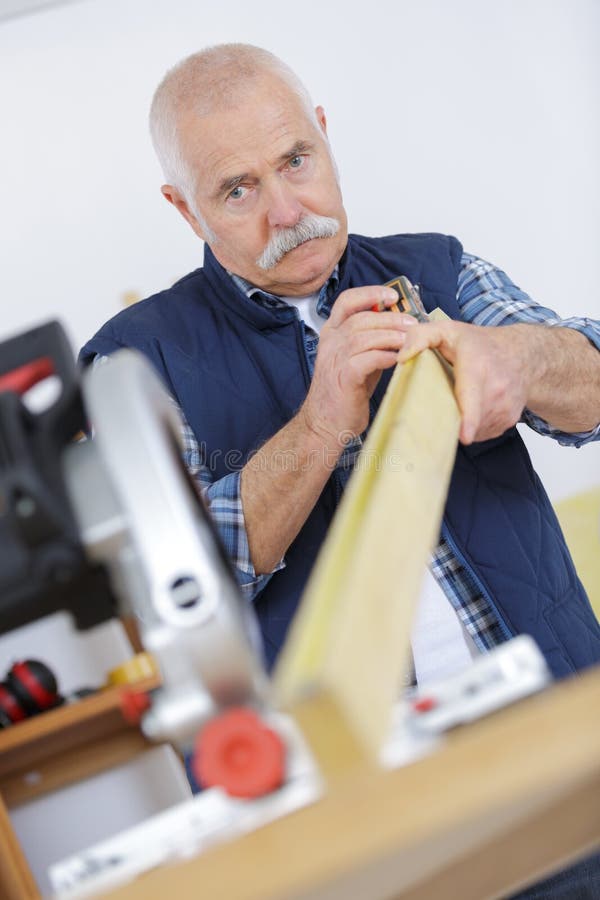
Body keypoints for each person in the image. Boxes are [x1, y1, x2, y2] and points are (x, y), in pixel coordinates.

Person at [80, 42, 600, 898]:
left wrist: (520, 358)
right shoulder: (131, 369)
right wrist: (320, 424)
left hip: (557, 760)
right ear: (185, 209)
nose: (289, 210)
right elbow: (163, 596)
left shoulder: (439, 267)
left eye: (296, 160)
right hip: (360, 840)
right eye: (238, 190)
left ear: (323, 134)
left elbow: (590, 383)